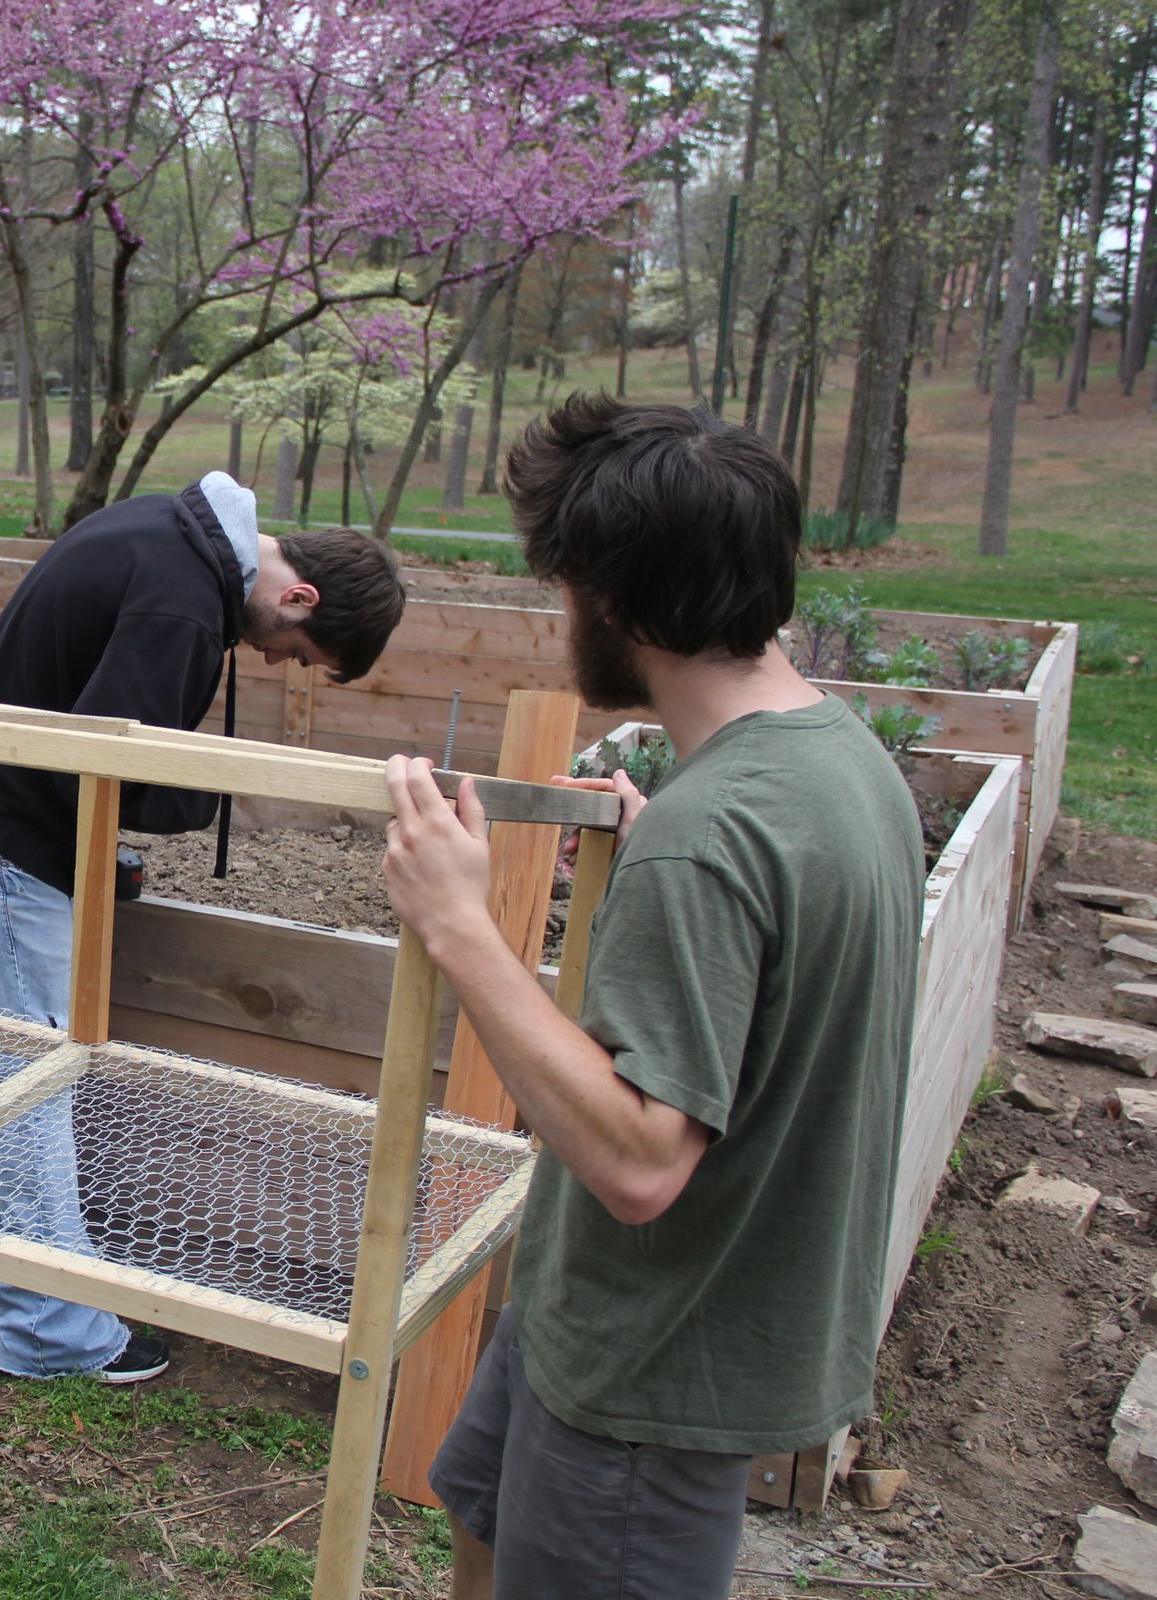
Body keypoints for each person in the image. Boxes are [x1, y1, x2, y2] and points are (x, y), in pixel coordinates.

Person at [380, 395, 925, 1600]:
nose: (559, 611)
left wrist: (461, 925)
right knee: (477, 1497)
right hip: (617, 1325)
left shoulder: (712, 837)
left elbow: (637, 1164)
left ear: (613, 599)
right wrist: (666, 847)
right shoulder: (835, 761)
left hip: (651, 1366)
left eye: (563, 584)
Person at [0, 472, 406, 1382]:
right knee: (29, 1078)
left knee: (4, 1061)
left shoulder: (170, 535)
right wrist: (197, 790)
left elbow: (80, 727)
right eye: (298, 652)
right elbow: (97, 761)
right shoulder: (182, 603)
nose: (274, 664)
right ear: (299, 596)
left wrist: (106, 851)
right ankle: (55, 1331)